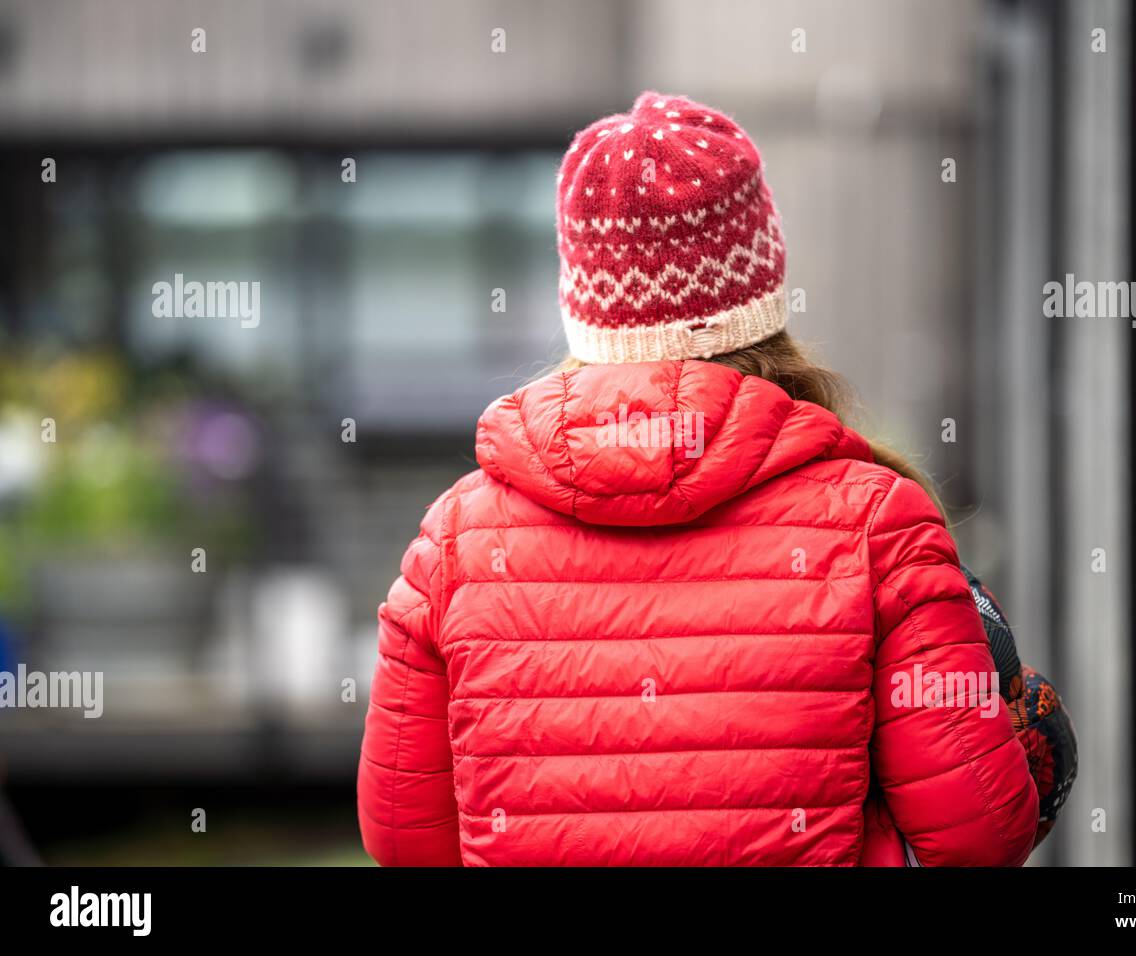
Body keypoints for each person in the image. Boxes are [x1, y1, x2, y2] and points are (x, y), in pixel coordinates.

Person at [357, 92, 1039, 866]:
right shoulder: (876, 522)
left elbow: (403, 840)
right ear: (760, 285)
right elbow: (981, 834)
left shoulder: (456, 542)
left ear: (586, 299)